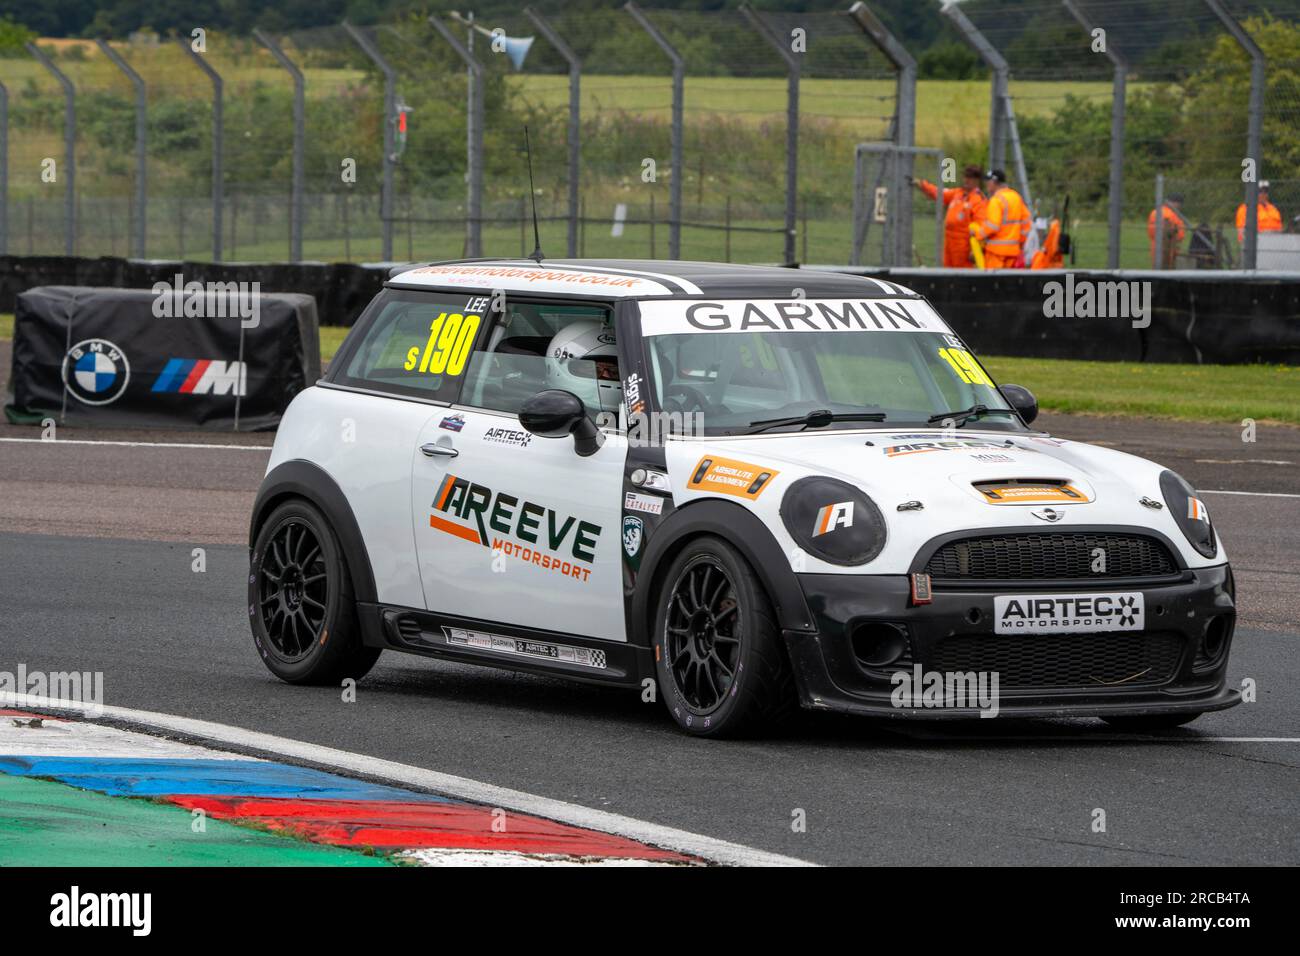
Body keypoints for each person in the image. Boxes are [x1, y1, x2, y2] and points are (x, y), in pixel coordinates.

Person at [912, 163, 987, 268]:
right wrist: (922, 185)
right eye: (965, 176)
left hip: (964, 248)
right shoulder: (958, 193)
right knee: (948, 273)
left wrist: (976, 249)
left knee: (962, 277)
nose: (966, 180)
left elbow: (981, 227)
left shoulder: (978, 200)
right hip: (949, 244)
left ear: (977, 180)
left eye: (970, 177)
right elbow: (939, 193)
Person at [970, 169, 1031, 269]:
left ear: (994, 182)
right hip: (1013, 252)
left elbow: (993, 226)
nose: (986, 184)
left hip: (996, 253)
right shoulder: (1016, 197)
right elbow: (1026, 223)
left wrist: (977, 234)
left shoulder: (996, 200)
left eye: (988, 181)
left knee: (993, 283)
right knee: (1009, 283)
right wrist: (1020, 243)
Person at [1147, 193, 1185, 269]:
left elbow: (1150, 233)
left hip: (1155, 247)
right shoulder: (1173, 215)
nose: (1180, 207)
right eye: (1180, 204)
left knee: (1156, 272)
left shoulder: (1155, 212)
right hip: (1170, 251)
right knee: (1168, 274)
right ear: (1176, 203)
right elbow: (1180, 236)